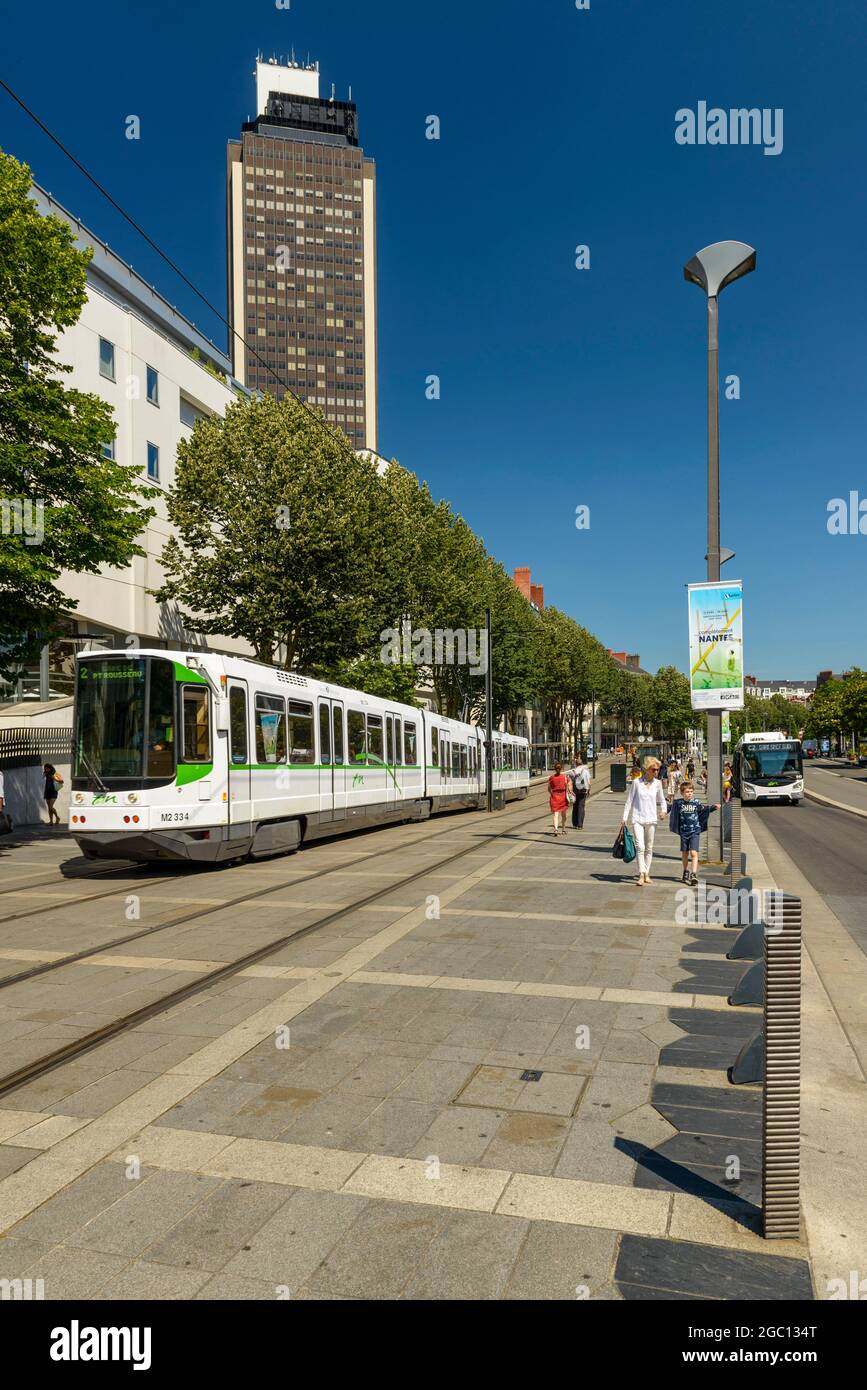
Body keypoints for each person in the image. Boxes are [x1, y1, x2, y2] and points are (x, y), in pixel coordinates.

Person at [622, 757, 668, 886]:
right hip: (638, 818)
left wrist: (663, 811)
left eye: (657, 770)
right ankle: (641, 873)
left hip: (651, 819)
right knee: (640, 847)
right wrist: (624, 817)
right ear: (647, 770)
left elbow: (662, 799)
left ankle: (647, 873)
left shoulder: (657, 783)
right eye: (654, 769)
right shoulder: (637, 783)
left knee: (649, 847)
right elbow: (629, 801)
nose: (656, 772)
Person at [670, 780, 721, 886]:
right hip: (684, 832)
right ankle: (685, 871)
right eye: (687, 792)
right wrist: (663, 811)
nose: (689, 793)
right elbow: (671, 808)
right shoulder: (679, 803)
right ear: (682, 793)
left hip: (695, 831)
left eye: (691, 791)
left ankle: (693, 874)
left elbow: (704, 809)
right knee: (685, 853)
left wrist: (713, 807)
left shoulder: (696, 802)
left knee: (693, 853)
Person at [568, 754, 591, 829]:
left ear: (576, 764)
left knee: (575, 807)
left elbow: (569, 782)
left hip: (575, 791)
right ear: (582, 764)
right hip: (583, 791)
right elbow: (589, 782)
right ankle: (580, 825)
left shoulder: (572, 771)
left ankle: (574, 824)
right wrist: (588, 790)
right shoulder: (586, 771)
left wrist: (570, 791)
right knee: (581, 806)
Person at [548, 761, 569, 837]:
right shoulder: (565, 777)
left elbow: (549, 789)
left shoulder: (551, 778)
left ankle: (556, 829)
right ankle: (563, 829)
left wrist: (552, 794)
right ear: (561, 769)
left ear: (554, 769)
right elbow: (567, 787)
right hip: (563, 797)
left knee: (555, 815)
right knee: (564, 815)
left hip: (555, 797)